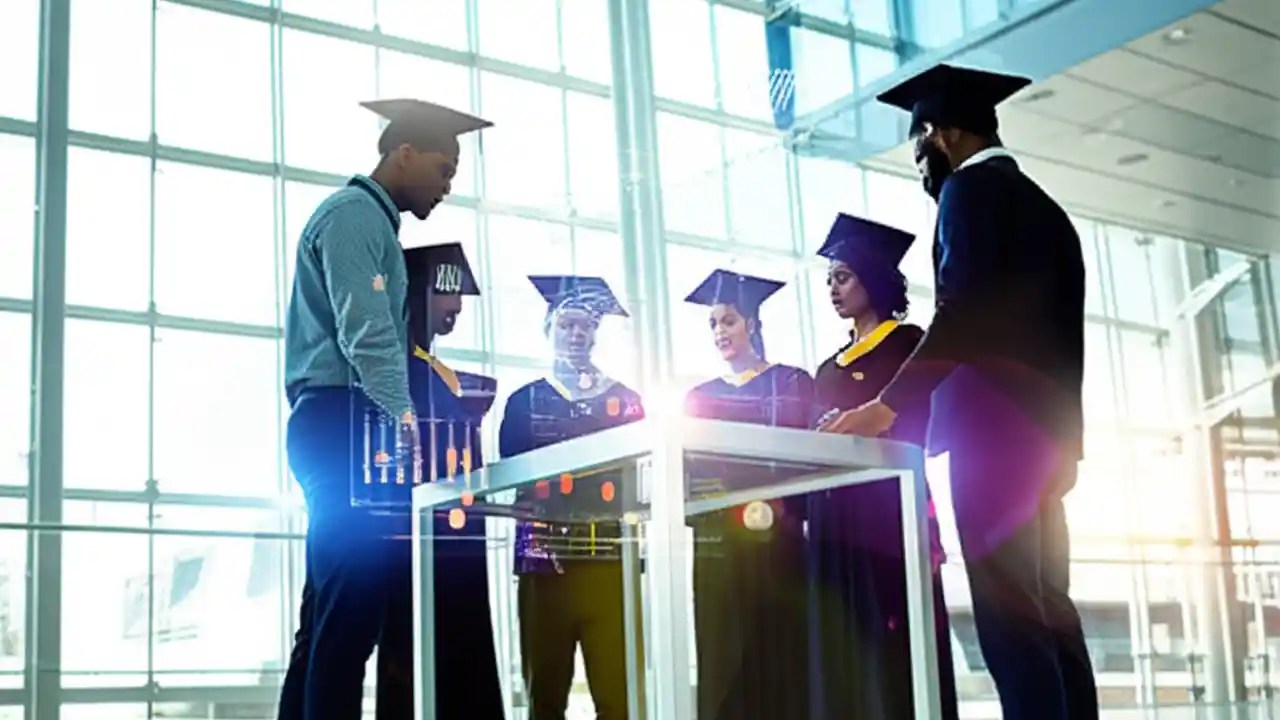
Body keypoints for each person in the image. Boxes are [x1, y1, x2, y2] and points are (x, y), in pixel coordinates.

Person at [829, 63, 1096, 720]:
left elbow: (962, 311)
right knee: (1049, 608)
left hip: (997, 437)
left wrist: (884, 404)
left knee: (1010, 618)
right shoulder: (1043, 204)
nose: (920, 162)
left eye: (919, 143)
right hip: (1053, 440)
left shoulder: (969, 193)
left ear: (940, 133)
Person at [279, 98, 492, 720]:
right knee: (347, 622)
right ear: (403, 154)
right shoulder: (354, 218)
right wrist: (406, 426)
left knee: (326, 618)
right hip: (343, 424)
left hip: (337, 423)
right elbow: (367, 333)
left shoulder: (372, 222)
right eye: (443, 168)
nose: (447, 185)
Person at [810, 213, 959, 720]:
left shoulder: (908, 345)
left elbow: (924, 419)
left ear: (873, 275)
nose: (833, 288)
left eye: (844, 276)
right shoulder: (826, 368)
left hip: (890, 513)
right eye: (829, 278)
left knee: (900, 638)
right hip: (836, 516)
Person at [498, 276, 645, 720]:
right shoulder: (524, 402)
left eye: (585, 326)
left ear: (597, 333)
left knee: (618, 695)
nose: (577, 334)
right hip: (545, 562)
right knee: (545, 694)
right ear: (549, 329)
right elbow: (512, 474)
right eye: (567, 325)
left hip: (610, 561)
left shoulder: (626, 400)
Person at [373, 242, 506, 720]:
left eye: (459, 296)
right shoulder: (395, 375)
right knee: (414, 651)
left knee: (463, 646)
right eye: (444, 293)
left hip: (461, 538)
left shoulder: (444, 376)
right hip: (414, 542)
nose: (455, 306)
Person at [681, 269, 813, 720]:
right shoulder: (697, 397)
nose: (720, 331)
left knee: (783, 660)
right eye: (714, 324)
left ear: (752, 324)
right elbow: (690, 476)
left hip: (783, 546)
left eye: (729, 321)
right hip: (718, 549)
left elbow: (808, 463)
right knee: (723, 664)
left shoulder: (792, 382)